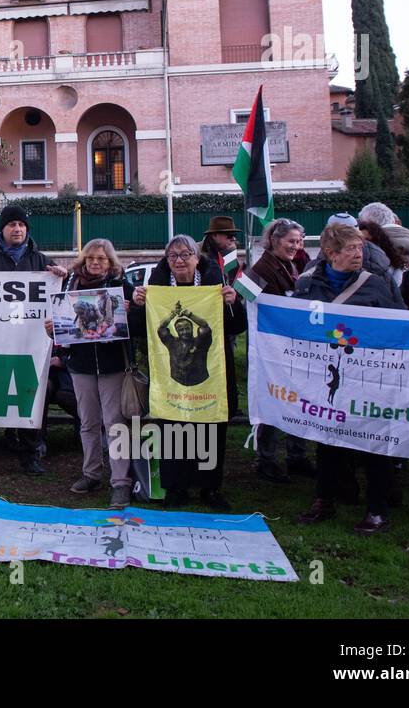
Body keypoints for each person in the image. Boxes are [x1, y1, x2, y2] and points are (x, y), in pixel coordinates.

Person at [293, 223, 405, 534]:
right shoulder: (307, 283)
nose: (359, 254)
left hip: (367, 376)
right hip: (327, 376)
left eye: (360, 248)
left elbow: (400, 321)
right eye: (352, 249)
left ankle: (377, 509)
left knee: (372, 440)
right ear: (331, 253)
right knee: (326, 437)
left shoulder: (375, 284)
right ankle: (324, 499)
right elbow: (296, 324)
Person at [130, 234, 244, 510]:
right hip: (171, 381)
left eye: (185, 255)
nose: (179, 260)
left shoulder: (213, 285)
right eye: (173, 256)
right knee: (172, 430)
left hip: (210, 378)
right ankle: (175, 488)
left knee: (210, 431)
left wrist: (233, 303)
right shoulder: (156, 288)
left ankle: (210, 488)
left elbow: (237, 326)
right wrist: (138, 305)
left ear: (196, 257)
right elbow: (140, 329)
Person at [0, 205, 68, 476]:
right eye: (12, 224)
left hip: (28, 344)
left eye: (21, 224)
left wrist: (62, 278)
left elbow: (61, 302)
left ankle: (30, 455)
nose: (17, 229)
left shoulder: (42, 262)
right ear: (3, 229)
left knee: (27, 398)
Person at [48, 238, 134, 508]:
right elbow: (64, 330)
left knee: (115, 423)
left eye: (101, 258)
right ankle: (91, 473)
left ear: (110, 261)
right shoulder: (71, 285)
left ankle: (120, 482)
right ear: (84, 260)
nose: (95, 263)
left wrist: (132, 311)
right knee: (88, 422)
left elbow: (139, 325)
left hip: (113, 365)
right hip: (81, 366)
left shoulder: (121, 285)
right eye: (91, 258)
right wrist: (52, 330)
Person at [244, 218, 315, 482]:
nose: (296, 246)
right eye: (291, 241)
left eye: (299, 241)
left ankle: (297, 456)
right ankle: (266, 460)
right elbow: (244, 300)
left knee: (300, 401)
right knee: (272, 402)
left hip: (296, 346)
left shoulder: (297, 262)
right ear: (275, 240)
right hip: (272, 351)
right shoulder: (260, 268)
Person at [200, 216, 244, 420]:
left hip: (226, 321)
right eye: (229, 236)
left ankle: (226, 405)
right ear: (215, 236)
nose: (233, 239)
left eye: (233, 236)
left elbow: (238, 284)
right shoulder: (203, 258)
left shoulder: (228, 257)